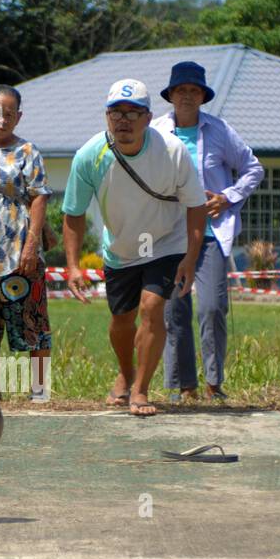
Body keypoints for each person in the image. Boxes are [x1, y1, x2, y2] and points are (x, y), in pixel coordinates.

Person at [62, 79, 206, 417]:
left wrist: (190, 258)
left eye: (133, 113)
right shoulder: (89, 156)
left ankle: (140, 389)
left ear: (148, 118)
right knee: (121, 320)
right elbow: (73, 213)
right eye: (116, 113)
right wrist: (72, 266)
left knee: (152, 307)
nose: (123, 120)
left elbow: (196, 206)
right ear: (106, 116)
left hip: (165, 242)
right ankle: (125, 373)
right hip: (122, 248)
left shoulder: (172, 151)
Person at [151, 61, 263, 401]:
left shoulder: (220, 131)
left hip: (211, 232)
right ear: (170, 95)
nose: (186, 96)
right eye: (181, 90)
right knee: (174, 310)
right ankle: (183, 386)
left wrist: (227, 198)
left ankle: (214, 383)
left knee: (212, 307)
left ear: (202, 96)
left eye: (193, 91)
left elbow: (252, 169)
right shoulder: (155, 131)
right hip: (169, 234)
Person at [0, 83, 53, 401]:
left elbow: (39, 198)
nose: (2, 119)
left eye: (10, 113)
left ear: (19, 117)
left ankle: (40, 392)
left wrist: (32, 246)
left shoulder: (28, 152)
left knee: (33, 323)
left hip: (21, 255)